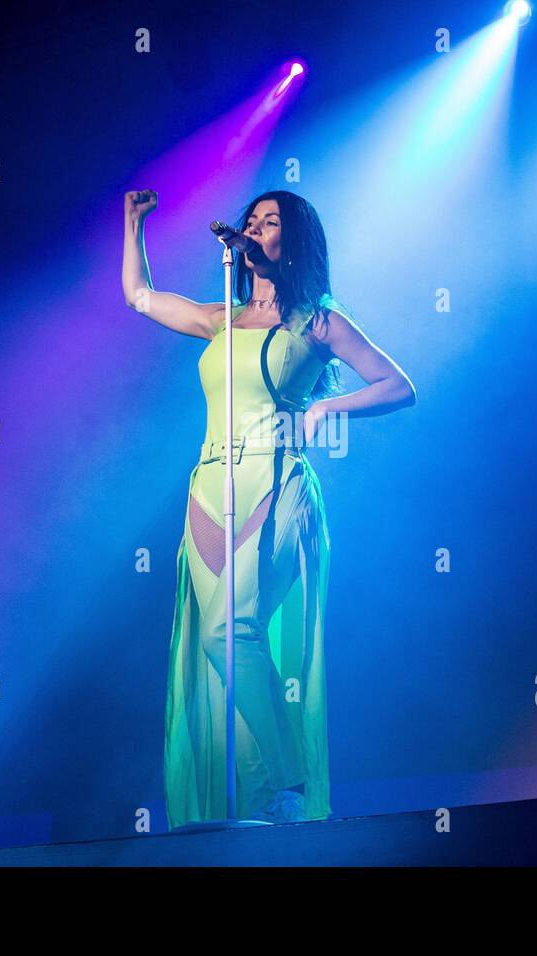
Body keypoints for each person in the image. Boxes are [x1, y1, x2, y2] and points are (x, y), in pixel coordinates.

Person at [122, 187, 415, 827]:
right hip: (209, 484)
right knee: (214, 642)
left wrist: (325, 408)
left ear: (293, 240)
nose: (255, 230)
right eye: (250, 221)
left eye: (270, 222)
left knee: (233, 632)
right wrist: (133, 226)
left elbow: (400, 385)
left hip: (276, 481)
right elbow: (140, 297)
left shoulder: (318, 320)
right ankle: (259, 811)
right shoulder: (222, 317)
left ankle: (289, 785)